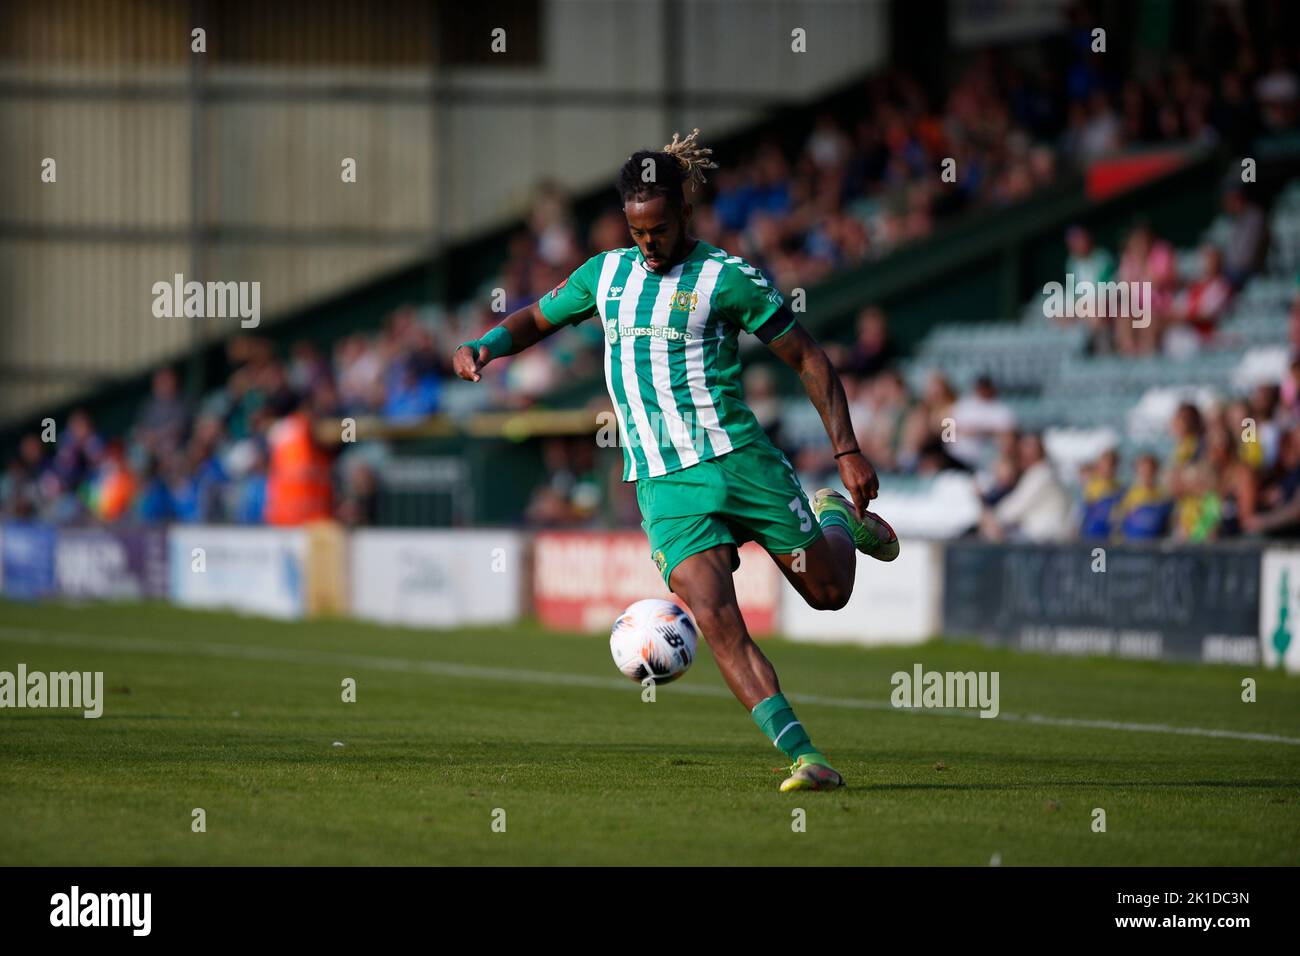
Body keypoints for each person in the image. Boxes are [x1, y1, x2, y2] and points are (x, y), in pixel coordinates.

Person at [452, 130, 899, 793]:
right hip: (665, 486)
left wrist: (846, 451)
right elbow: (535, 319)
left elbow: (807, 357)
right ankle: (805, 757)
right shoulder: (603, 275)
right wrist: (487, 344)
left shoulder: (726, 278)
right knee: (716, 617)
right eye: (637, 231)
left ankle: (832, 516)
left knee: (828, 593)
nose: (648, 243)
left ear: (685, 213)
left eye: (659, 229)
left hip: (740, 462)